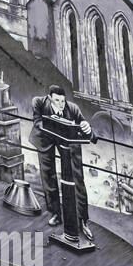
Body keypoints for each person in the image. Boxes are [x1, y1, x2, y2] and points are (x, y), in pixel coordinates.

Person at [29, 85, 93, 240]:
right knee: (47, 175)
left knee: (77, 178)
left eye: (63, 101)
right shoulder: (38, 102)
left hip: (68, 141)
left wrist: (87, 128)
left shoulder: (73, 109)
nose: (61, 104)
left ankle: (82, 220)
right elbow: (38, 123)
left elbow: (85, 128)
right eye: (57, 100)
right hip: (45, 140)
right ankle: (56, 213)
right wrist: (56, 124)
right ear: (50, 98)